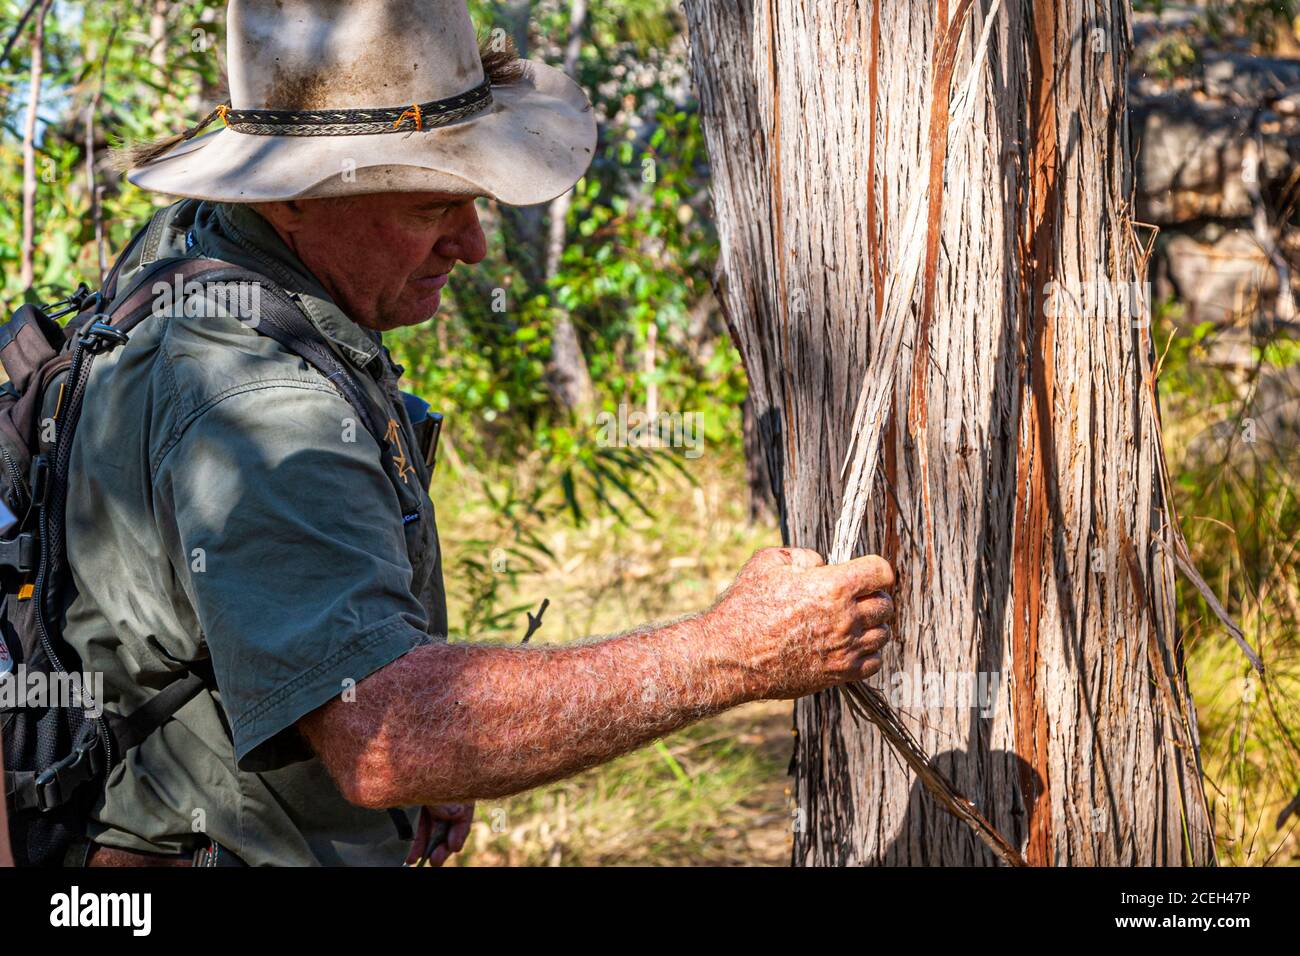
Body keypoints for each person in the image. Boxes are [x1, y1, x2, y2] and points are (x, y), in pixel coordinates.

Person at [64, 0, 896, 866]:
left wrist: (445, 738)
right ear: (290, 201)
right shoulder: (257, 398)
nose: (473, 246)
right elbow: (385, 733)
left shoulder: (201, 258)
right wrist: (732, 654)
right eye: (431, 206)